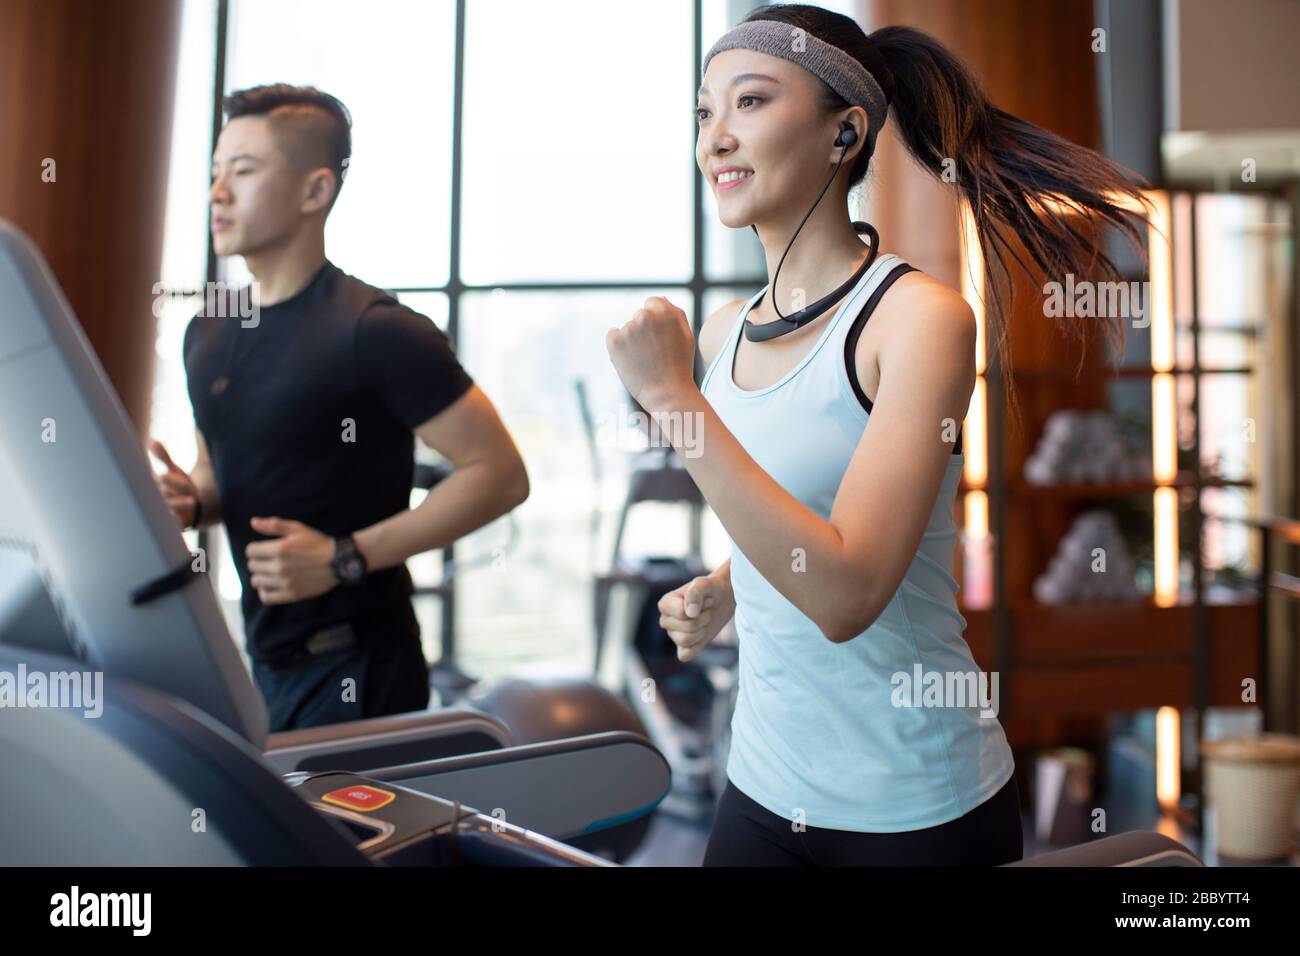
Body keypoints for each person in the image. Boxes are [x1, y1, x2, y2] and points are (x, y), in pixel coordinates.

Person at [606, 4, 1149, 865]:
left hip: (916, 807)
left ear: (845, 133)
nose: (715, 138)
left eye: (749, 103)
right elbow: (804, 511)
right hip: (762, 787)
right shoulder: (720, 336)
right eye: (704, 113)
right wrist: (730, 583)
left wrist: (676, 403)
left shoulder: (917, 321)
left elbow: (847, 593)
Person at [150, 84, 529, 733]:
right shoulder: (208, 332)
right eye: (215, 172)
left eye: (242, 171)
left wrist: (343, 557)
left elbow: (498, 473)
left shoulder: (376, 330)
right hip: (262, 660)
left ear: (314, 191)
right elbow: (219, 469)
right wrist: (191, 500)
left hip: (360, 667)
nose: (217, 191)